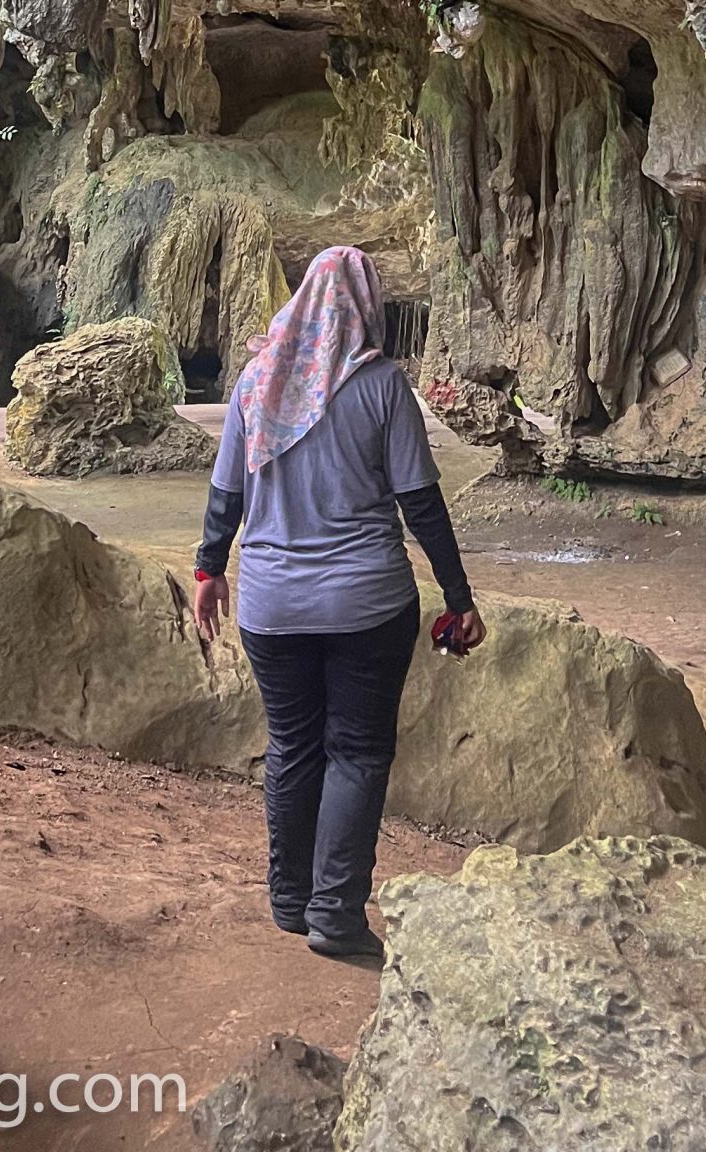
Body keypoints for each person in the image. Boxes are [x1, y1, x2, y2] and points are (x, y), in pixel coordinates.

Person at [192, 245, 485, 966]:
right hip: (367, 605)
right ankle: (334, 912)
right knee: (355, 753)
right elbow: (420, 500)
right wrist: (458, 597)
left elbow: (226, 491)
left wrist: (209, 568)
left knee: (294, 745)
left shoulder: (256, 382)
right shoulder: (383, 385)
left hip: (270, 607)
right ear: (364, 305)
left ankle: (290, 900)